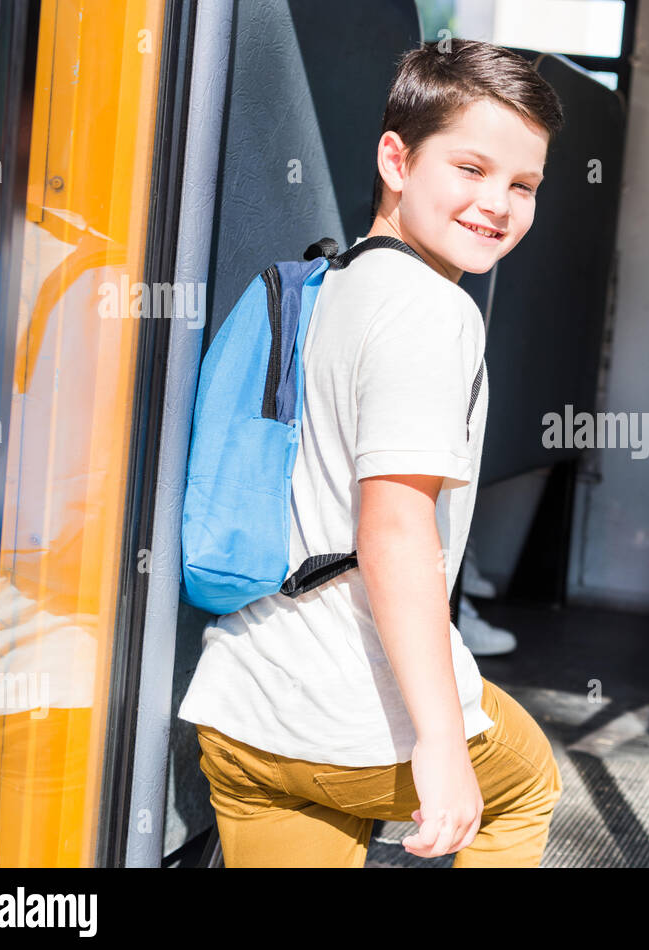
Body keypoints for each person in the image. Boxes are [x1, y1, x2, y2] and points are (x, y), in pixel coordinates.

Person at [178, 40, 564, 867]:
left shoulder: (327, 281)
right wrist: (440, 742)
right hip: (354, 720)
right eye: (471, 168)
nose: (497, 203)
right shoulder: (434, 312)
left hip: (243, 709)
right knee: (523, 786)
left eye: (523, 184)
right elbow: (393, 527)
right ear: (397, 157)